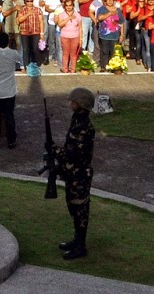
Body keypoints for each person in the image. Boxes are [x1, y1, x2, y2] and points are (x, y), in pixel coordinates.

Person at [56, 87, 97, 260]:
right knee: (73, 207)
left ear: (81, 104)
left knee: (80, 209)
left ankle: (80, 246)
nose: (71, 103)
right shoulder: (77, 120)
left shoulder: (84, 126)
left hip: (80, 174)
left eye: (74, 101)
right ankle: (77, 240)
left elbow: (74, 153)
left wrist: (56, 151)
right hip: (73, 172)